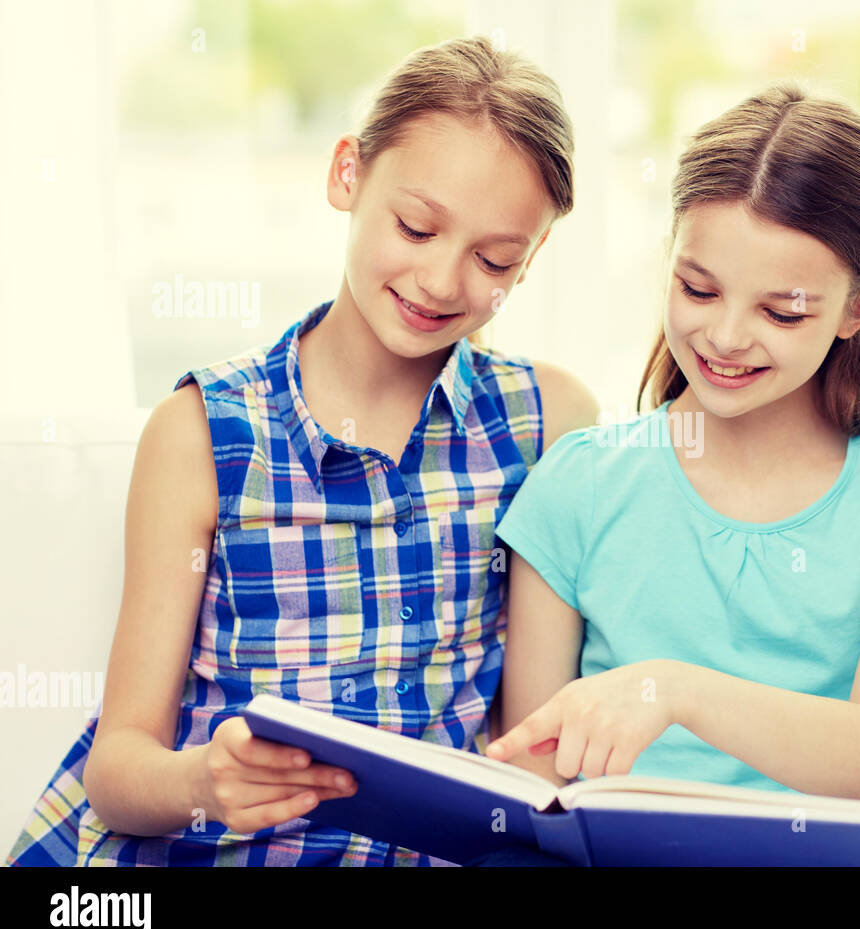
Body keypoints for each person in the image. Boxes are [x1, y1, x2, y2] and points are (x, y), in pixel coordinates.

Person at [6, 36, 596, 867]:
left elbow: (532, 748)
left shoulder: (547, 419)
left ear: (529, 264)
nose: (439, 280)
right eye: (416, 226)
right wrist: (204, 781)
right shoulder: (202, 431)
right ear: (346, 174)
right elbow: (118, 769)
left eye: (494, 259)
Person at [486, 83, 860, 867]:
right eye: (698, 289)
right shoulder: (581, 484)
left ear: (858, 308)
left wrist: (673, 690)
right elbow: (535, 767)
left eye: (782, 312)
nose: (725, 337)